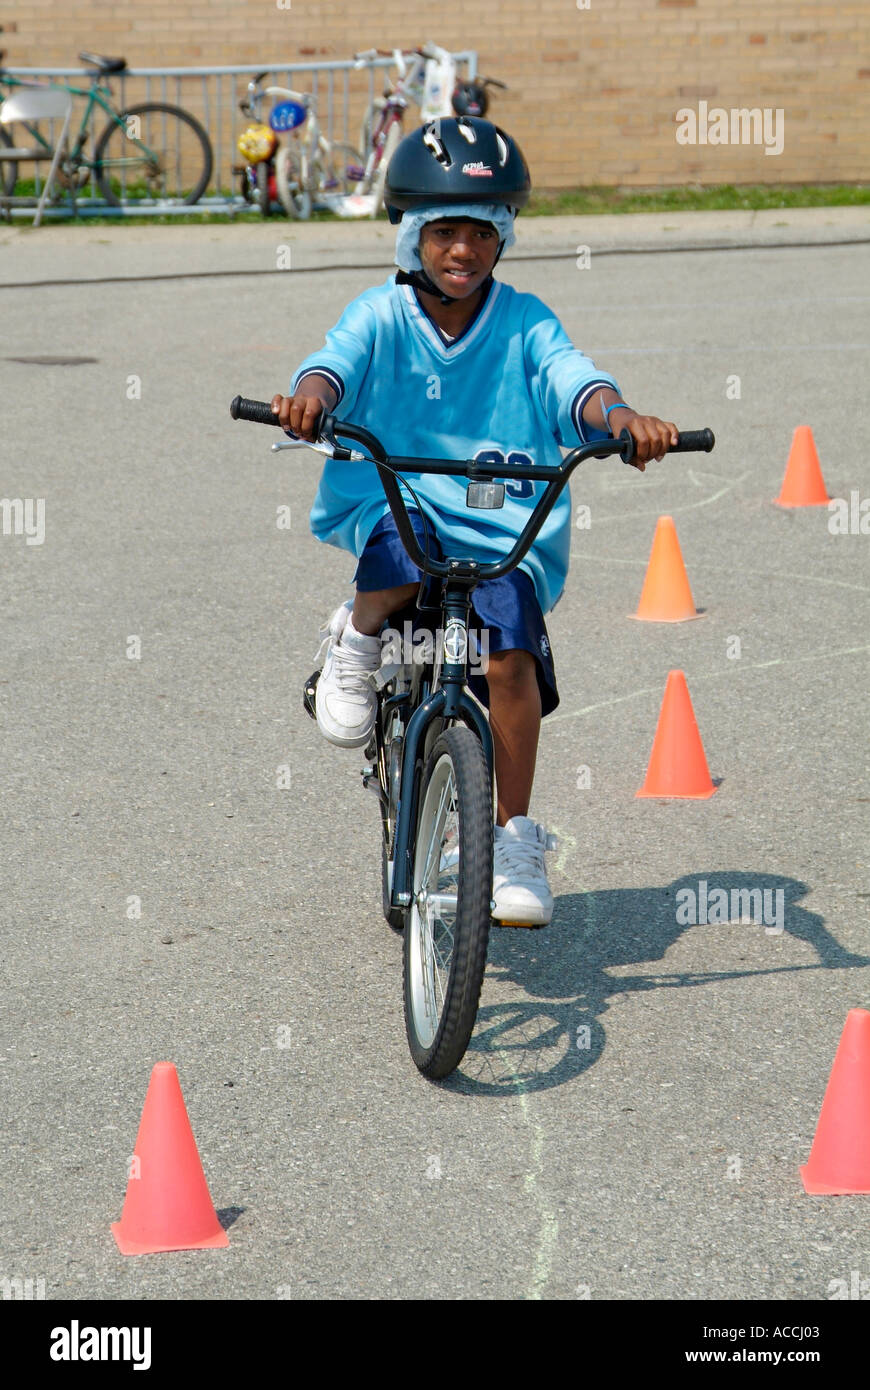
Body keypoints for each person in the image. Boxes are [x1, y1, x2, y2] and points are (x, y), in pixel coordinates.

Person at [271, 116, 678, 926]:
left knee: (512, 663)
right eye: (444, 231)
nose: (463, 250)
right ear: (413, 235)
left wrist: (619, 415)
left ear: (504, 239)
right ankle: (356, 641)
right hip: (405, 502)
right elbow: (334, 362)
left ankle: (511, 836)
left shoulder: (525, 321)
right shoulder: (382, 316)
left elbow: (574, 379)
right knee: (398, 549)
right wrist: (312, 399)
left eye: (482, 233)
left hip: (502, 527)